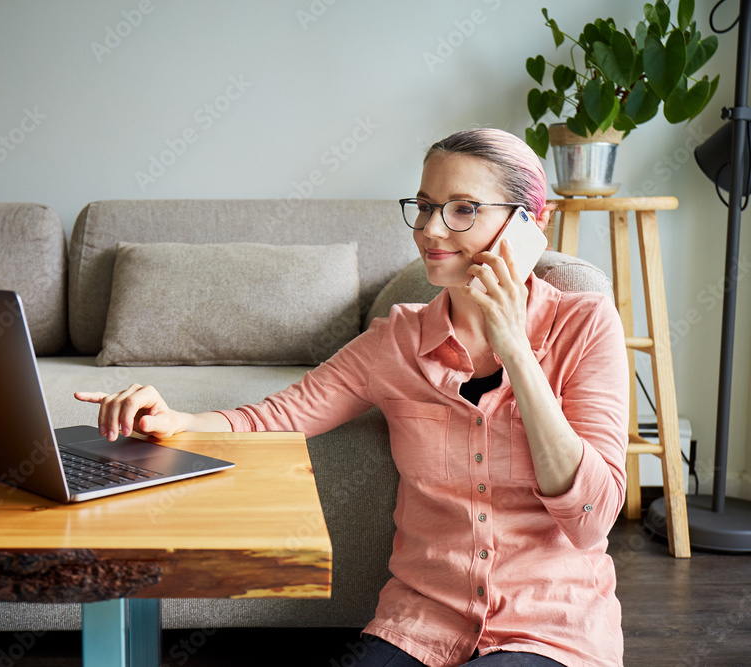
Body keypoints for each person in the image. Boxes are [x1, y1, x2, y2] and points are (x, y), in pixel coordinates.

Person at [75, 128, 629, 667]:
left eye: (463, 209)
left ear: (532, 224)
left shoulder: (586, 325)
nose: (431, 230)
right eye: (425, 204)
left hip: (550, 628)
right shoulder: (394, 340)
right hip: (422, 622)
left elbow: (590, 519)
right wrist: (175, 419)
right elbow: (279, 416)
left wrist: (516, 351)